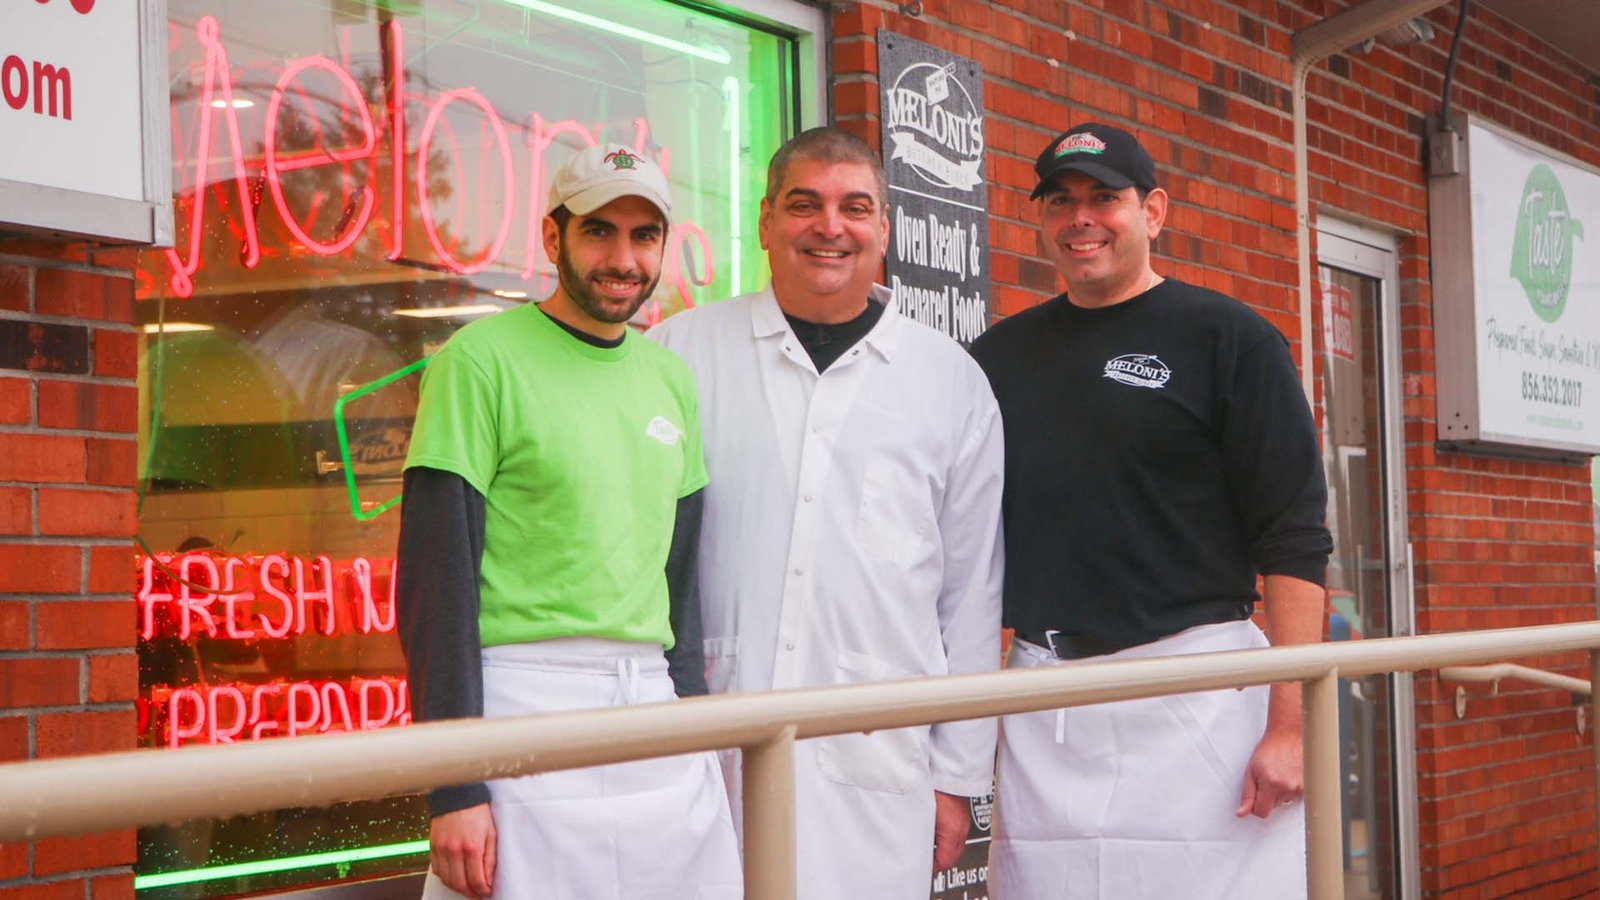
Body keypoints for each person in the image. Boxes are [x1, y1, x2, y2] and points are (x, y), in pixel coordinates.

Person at [969, 122, 1332, 900]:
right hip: (1046, 700)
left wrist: (1290, 728)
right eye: (1061, 201)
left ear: (1154, 211)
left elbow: (1296, 541)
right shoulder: (998, 359)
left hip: (1196, 694)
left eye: (1107, 198)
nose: (1082, 219)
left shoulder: (1229, 338)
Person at [648, 126, 1005, 899]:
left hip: (877, 756)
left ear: (885, 227)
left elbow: (971, 595)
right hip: (702, 748)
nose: (829, 227)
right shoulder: (677, 354)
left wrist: (961, 775)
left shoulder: (950, 381)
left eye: (854, 207)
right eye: (804, 204)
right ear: (767, 219)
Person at [395, 142, 741, 900]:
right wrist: (454, 787)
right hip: (522, 699)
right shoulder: (477, 360)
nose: (623, 258)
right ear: (553, 239)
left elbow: (677, 585)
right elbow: (434, 586)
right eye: (598, 232)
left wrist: (691, 724)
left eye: (643, 235)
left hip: (652, 702)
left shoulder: (669, 379)